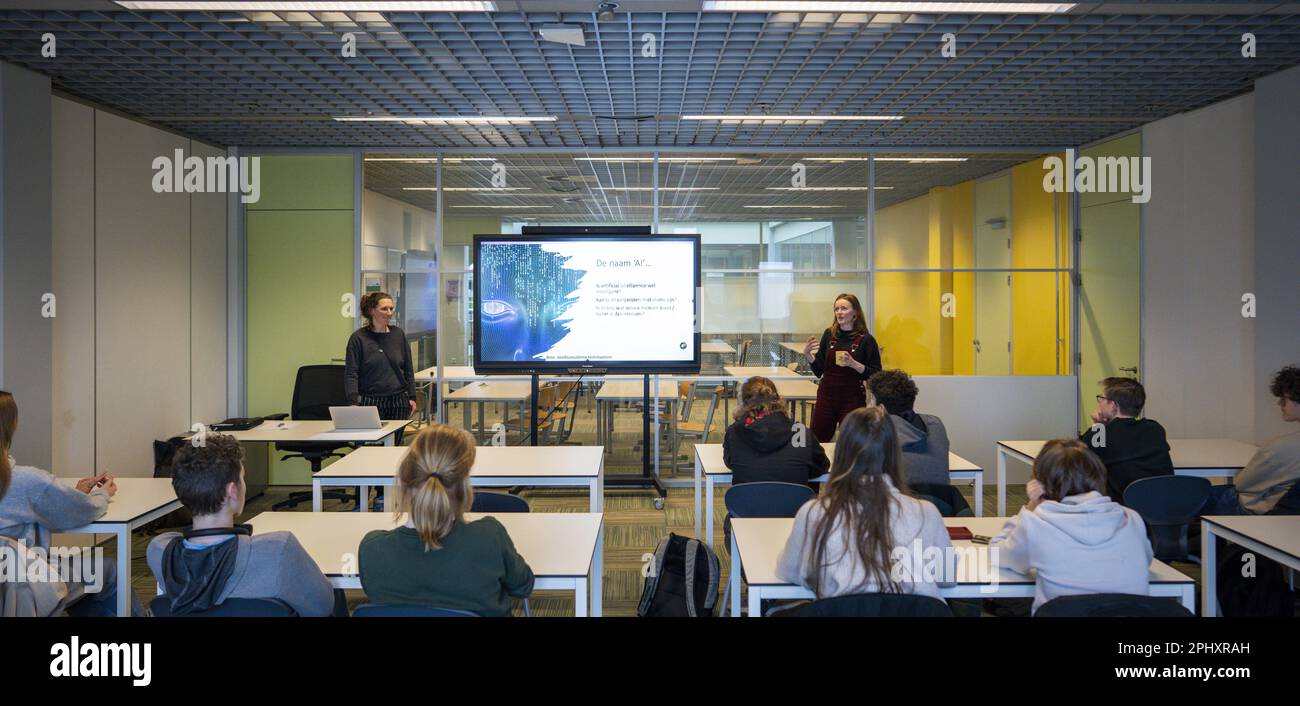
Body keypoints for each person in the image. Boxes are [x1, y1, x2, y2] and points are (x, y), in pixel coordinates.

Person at [147, 434, 338, 616]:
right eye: (242, 478)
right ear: (232, 491)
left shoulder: (160, 552)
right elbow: (322, 606)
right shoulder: (278, 550)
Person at [776, 407, 952, 601]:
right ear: (894, 454)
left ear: (841, 452)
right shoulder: (926, 513)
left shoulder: (815, 513)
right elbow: (946, 577)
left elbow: (789, 572)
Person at [359, 424, 534, 616]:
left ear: (404, 479)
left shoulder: (372, 550)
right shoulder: (490, 536)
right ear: (464, 485)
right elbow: (522, 586)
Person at [0, 390, 142, 617]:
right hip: (24, 584)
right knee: (108, 570)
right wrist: (102, 494)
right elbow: (84, 511)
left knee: (78, 576)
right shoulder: (25, 480)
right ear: (12, 425)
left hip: (9, 589)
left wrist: (74, 493)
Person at [990, 438, 1153, 614]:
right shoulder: (1131, 519)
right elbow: (1147, 560)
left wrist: (1030, 507)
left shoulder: (1035, 524)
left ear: (1042, 483)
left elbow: (997, 554)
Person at [1203, 365, 1300, 516]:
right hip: (1287, 515)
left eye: (1284, 399)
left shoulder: (1280, 448)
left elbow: (1241, 484)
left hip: (1259, 513)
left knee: (1189, 497)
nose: (1280, 404)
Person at [1078, 377, 1173, 503]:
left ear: (1113, 405)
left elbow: (1078, 456)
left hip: (1122, 512)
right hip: (1161, 508)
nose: (1099, 403)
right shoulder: (1154, 429)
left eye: (1102, 398)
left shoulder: (1102, 433)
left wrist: (1098, 425)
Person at [723, 376, 829, 486]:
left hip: (748, 501)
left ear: (743, 403)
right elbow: (822, 465)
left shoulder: (734, 433)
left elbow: (730, 463)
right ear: (778, 400)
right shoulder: (801, 433)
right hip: (794, 502)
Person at [804, 293, 882, 443]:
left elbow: (876, 374)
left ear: (855, 313)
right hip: (826, 396)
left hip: (852, 398)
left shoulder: (866, 340)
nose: (839, 312)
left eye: (844, 308)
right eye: (836, 309)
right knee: (817, 440)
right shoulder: (829, 335)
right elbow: (819, 370)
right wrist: (808, 355)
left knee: (852, 441)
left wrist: (854, 364)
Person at [865, 369, 950, 486]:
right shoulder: (935, 424)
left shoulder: (876, 431)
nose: (867, 406)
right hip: (939, 502)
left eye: (870, 401)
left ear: (881, 408)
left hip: (894, 501)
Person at [344, 291, 417, 420]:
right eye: (384, 309)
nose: (389, 313)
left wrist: (412, 396)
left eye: (391, 308)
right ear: (372, 311)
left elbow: (408, 368)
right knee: (369, 439)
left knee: (395, 440)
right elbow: (351, 373)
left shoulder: (398, 334)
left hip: (398, 401)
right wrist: (353, 402)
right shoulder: (358, 338)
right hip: (370, 401)